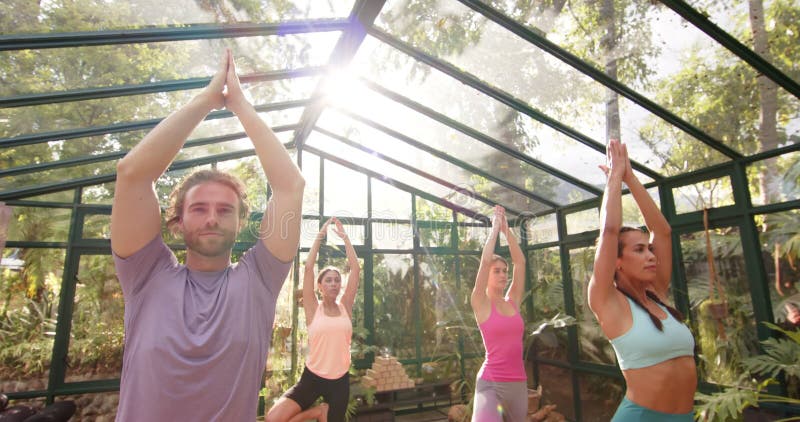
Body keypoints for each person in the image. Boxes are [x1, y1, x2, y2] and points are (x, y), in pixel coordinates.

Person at [110, 50, 305, 421]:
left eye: (225, 210)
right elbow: (132, 173)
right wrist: (207, 99)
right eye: (199, 209)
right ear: (178, 222)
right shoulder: (145, 274)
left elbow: (289, 186)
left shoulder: (260, 280)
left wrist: (241, 105)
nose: (212, 218)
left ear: (240, 222)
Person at [589, 139, 695, 421]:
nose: (650, 256)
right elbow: (609, 231)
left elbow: (663, 231)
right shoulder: (608, 301)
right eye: (639, 250)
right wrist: (614, 177)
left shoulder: (656, 292)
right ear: (617, 261)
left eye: (649, 249)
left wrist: (631, 178)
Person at [266, 217, 360, 422]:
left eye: (337, 280)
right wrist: (319, 236)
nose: (334, 283)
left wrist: (345, 238)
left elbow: (355, 269)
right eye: (329, 280)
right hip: (313, 377)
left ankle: (322, 413)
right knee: (274, 419)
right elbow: (309, 268)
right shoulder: (313, 309)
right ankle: (317, 412)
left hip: (339, 381)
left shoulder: (345, 306)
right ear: (320, 286)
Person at [471, 205, 528, 422]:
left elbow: (520, 262)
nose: (503, 275)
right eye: (497, 271)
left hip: (518, 383)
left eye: (505, 271)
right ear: (486, 275)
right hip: (490, 384)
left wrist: (507, 230)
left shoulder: (512, 301)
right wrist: (494, 228)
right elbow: (485, 261)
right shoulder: (480, 302)